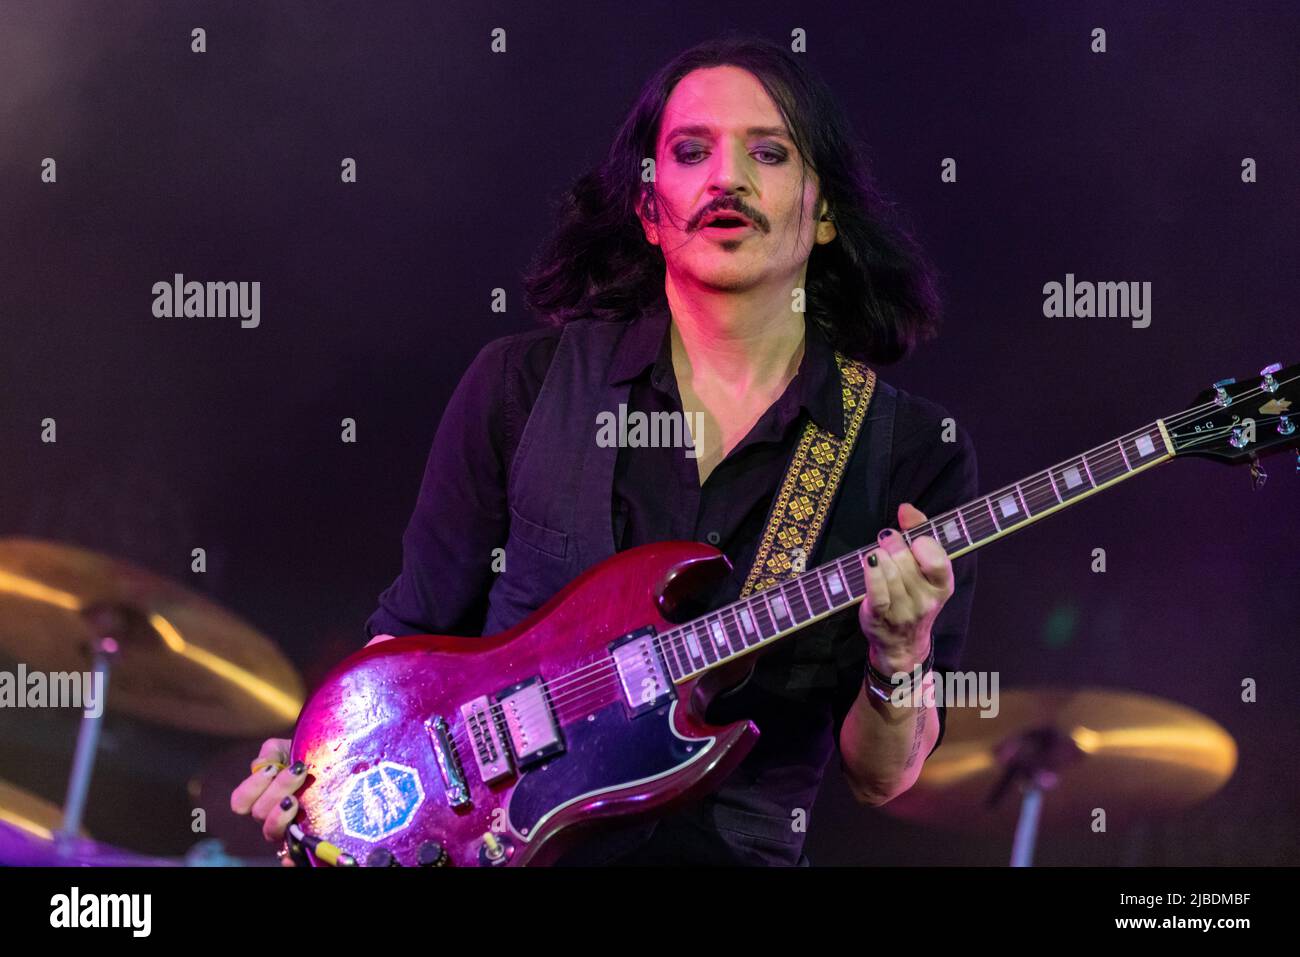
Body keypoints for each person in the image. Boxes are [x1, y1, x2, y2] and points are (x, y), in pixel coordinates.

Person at [231, 33, 977, 866]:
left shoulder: (907, 450)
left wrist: (900, 653)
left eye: (768, 153)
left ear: (825, 207)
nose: (726, 179)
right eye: (690, 152)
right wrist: (320, 768)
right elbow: (408, 640)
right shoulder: (522, 385)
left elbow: (884, 776)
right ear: (650, 209)